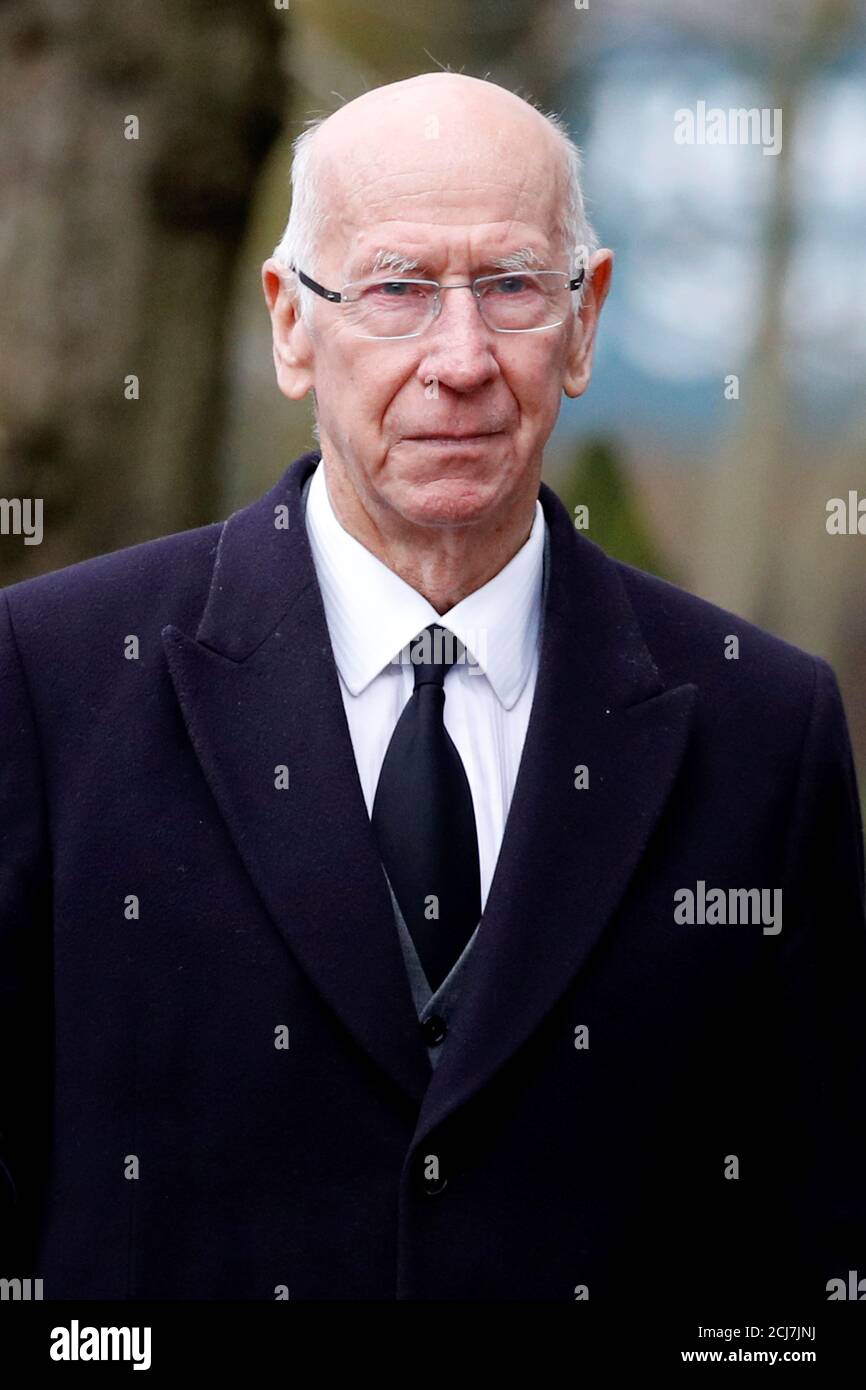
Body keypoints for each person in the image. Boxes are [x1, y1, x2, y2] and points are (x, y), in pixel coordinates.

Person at [1, 72, 864, 1304]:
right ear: (292, 326)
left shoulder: (765, 730)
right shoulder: (47, 680)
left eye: (510, 285)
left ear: (583, 320)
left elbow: (810, 1249)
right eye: (399, 288)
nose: (458, 360)